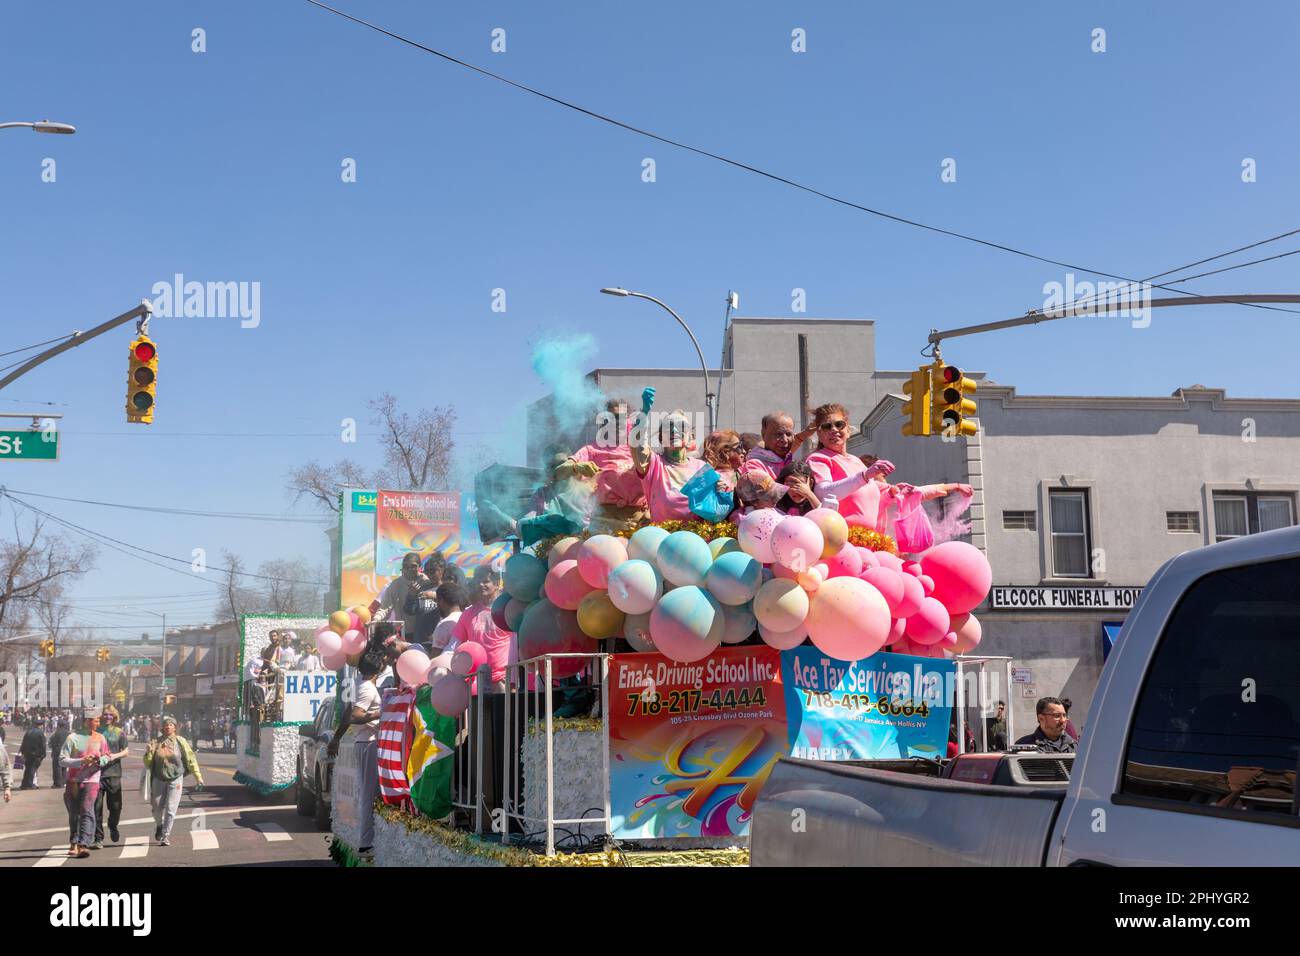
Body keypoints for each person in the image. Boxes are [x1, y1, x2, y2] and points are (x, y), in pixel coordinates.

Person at [327, 651, 384, 853]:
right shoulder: (367, 688)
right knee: (369, 793)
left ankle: (370, 838)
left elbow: (347, 714)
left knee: (371, 792)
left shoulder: (361, 685)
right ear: (380, 668)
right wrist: (380, 712)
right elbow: (355, 715)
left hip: (365, 742)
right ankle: (366, 842)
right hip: (368, 742)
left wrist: (336, 738)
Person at [804, 404, 897, 528]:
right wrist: (865, 475)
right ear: (819, 435)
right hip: (839, 539)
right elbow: (823, 493)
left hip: (869, 540)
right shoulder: (818, 459)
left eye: (839, 425)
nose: (834, 430)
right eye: (827, 426)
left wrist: (891, 492)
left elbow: (868, 503)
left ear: (848, 430)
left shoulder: (856, 461)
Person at [632, 388, 707, 521]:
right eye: (668, 427)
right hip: (663, 538)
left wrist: (720, 487)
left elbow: (711, 505)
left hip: (697, 537)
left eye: (681, 426)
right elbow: (637, 443)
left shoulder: (701, 467)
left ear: (691, 437)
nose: (674, 430)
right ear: (661, 438)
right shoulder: (653, 465)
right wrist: (643, 413)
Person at [450, 563, 513, 692]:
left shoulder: (508, 610)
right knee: (483, 712)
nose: (481, 585)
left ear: (496, 585)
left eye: (486, 581)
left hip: (503, 678)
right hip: (477, 680)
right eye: (478, 581)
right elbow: (453, 646)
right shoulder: (468, 614)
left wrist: (513, 680)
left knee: (506, 712)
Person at [737, 412, 818, 511]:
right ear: (764, 434)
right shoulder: (755, 464)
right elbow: (761, 501)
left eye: (788, 434)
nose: (784, 440)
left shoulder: (785, 458)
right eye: (778, 434)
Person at [143, 716, 204, 846]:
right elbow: (148, 763)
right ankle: (159, 825)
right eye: (166, 725)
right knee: (156, 807)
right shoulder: (155, 742)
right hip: (159, 778)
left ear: (175, 727)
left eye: (171, 725)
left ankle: (165, 835)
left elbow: (191, 759)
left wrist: (198, 777)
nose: (168, 726)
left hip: (176, 778)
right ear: (162, 728)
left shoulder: (180, 742)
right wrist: (148, 753)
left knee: (171, 808)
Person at [60, 711, 111, 858]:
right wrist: (81, 761)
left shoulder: (100, 738)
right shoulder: (73, 738)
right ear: (87, 721)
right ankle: (73, 842)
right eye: (95, 721)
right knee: (74, 813)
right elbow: (62, 760)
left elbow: (107, 755)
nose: (98, 723)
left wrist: (100, 761)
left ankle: (83, 844)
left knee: (87, 810)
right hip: (74, 781)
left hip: (92, 779)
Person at [93, 705, 130, 847]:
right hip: (96, 775)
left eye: (110, 714)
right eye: (105, 714)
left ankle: (113, 826)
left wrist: (114, 756)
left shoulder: (119, 732)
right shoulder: (95, 731)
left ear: (114, 716)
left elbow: (126, 751)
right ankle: (98, 837)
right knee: (96, 807)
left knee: (115, 807)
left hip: (114, 775)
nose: (107, 717)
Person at [369, 552, 433, 626]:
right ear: (402, 567)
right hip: (404, 631)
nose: (409, 569)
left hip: (423, 630)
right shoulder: (395, 585)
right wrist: (376, 620)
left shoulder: (426, 582)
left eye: (413, 566)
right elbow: (384, 608)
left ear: (420, 567)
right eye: (406, 566)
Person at [428, 582, 464, 654]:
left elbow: (435, 656)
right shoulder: (466, 619)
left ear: (441, 600)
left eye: (437, 600)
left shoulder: (444, 624)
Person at [18, 720, 46, 789]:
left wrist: (22, 752)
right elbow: (43, 745)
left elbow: (23, 742)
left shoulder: (28, 732)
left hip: (27, 753)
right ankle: (29, 784)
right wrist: (43, 754)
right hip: (36, 754)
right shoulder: (41, 733)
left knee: (27, 769)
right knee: (32, 769)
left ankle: (24, 784)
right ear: (41, 725)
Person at [49, 719, 71, 788]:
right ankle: (64, 782)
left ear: (58, 725)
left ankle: (58, 783)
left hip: (57, 753)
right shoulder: (68, 733)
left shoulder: (56, 733)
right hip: (66, 753)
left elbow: (51, 744)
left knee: (57, 768)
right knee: (64, 768)